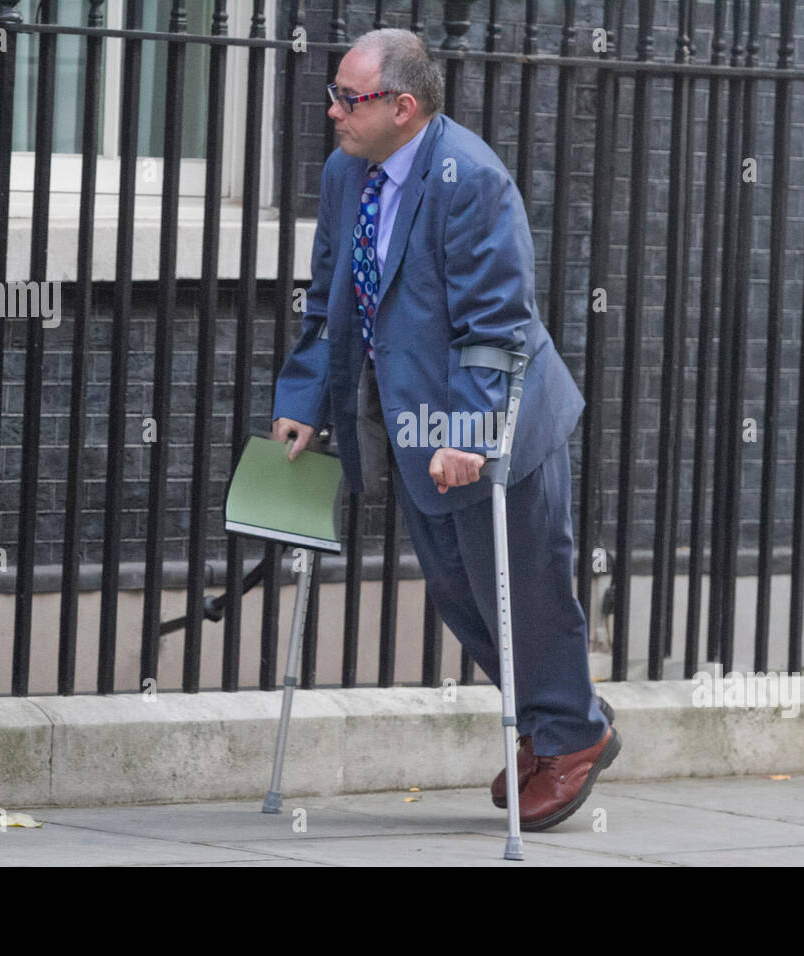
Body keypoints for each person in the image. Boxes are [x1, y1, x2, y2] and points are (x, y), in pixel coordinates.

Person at [270, 27, 619, 831]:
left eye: (348, 99)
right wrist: (306, 398)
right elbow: (331, 297)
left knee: (524, 593)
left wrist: (471, 430)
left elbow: (496, 323)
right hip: (416, 426)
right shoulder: (344, 173)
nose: (332, 113)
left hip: (493, 424)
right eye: (333, 96)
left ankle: (571, 736)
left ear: (404, 105)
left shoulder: (471, 179)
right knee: (463, 596)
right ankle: (552, 719)